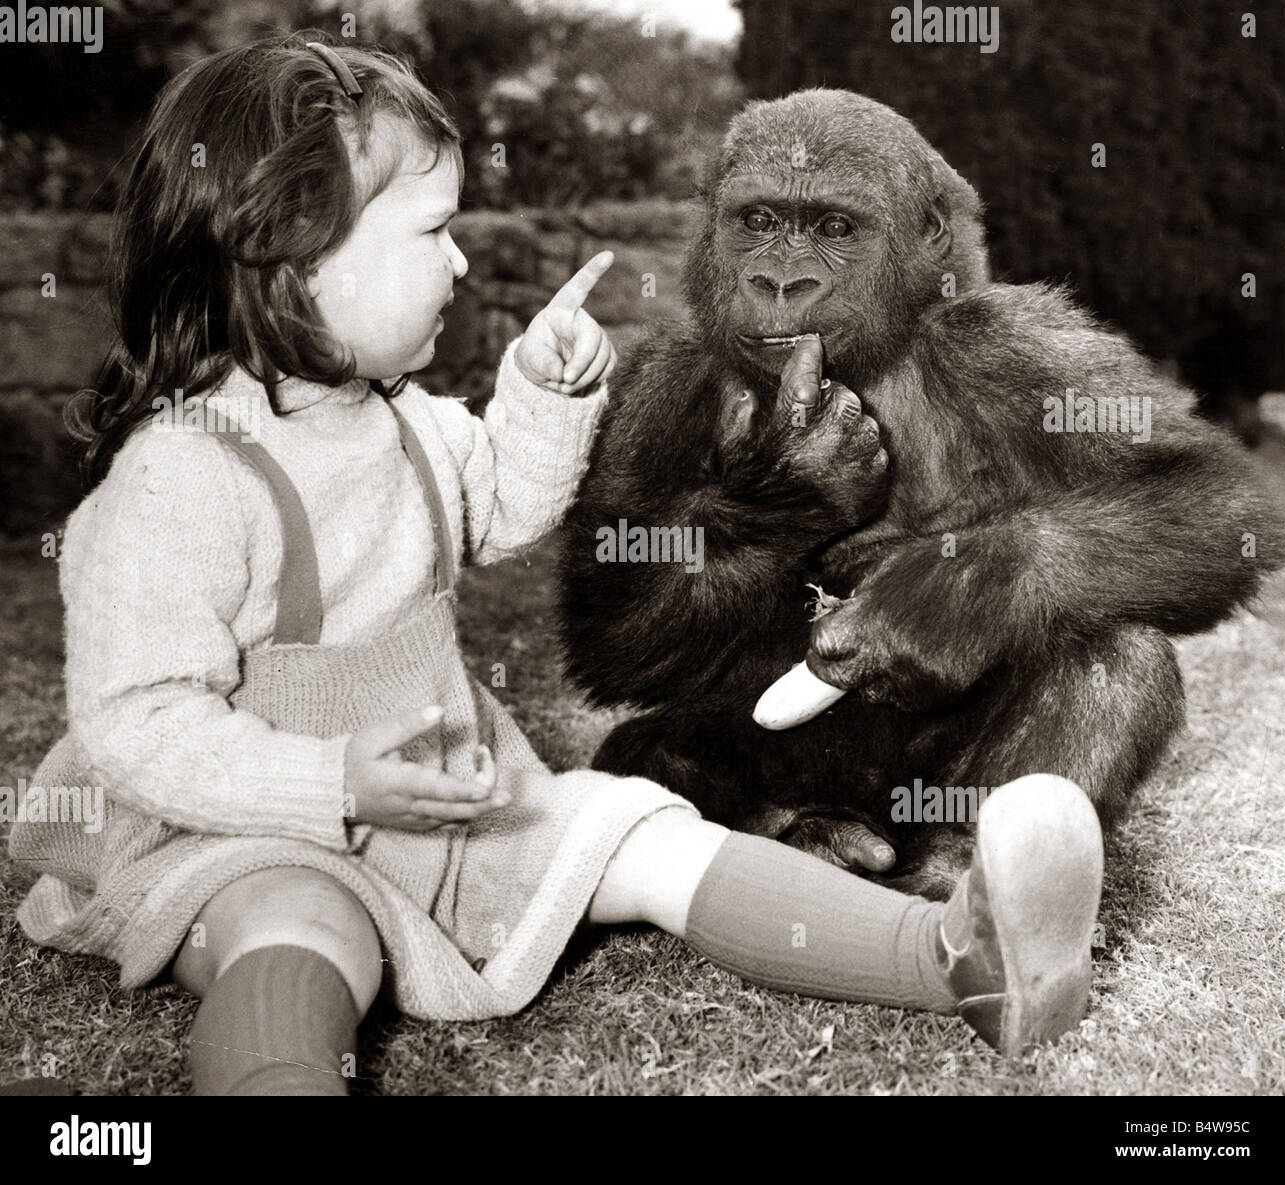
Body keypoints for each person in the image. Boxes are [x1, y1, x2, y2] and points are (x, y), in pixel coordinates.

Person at [9, 34, 1104, 1095]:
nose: (462, 260)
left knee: (644, 840)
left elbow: (500, 511)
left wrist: (546, 396)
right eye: (433, 232)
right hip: (240, 824)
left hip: (441, 797)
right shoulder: (179, 481)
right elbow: (137, 723)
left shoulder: (404, 424)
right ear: (291, 258)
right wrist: (328, 785)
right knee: (304, 924)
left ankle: (953, 957)